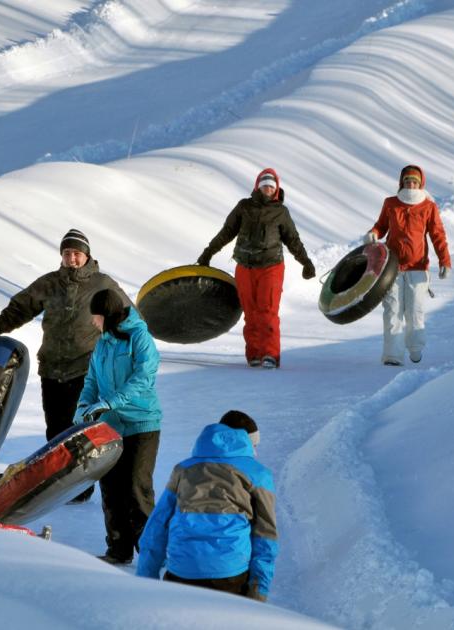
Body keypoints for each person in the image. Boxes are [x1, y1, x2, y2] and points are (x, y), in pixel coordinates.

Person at [0, 228, 128, 503]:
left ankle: (80, 488)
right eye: (67, 253)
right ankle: (59, 484)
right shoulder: (49, 284)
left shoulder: (102, 284)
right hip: (52, 368)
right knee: (55, 429)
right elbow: (19, 310)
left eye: (77, 254)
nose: (71, 259)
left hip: (87, 368)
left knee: (80, 429)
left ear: (86, 256)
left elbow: (127, 317)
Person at [136, 411, 277, 602]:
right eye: (253, 445)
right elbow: (265, 536)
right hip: (229, 574)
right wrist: (258, 592)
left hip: (181, 572)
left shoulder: (183, 469)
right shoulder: (259, 474)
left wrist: (146, 582)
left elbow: (157, 526)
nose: (255, 452)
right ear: (243, 441)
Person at [75, 288, 162, 565]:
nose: (93, 322)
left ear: (108, 315)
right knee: (111, 488)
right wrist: (81, 411)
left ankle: (151, 553)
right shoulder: (102, 344)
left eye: (96, 316)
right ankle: (118, 548)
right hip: (110, 427)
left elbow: (143, 378)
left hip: (142, 423)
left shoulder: (140, 338)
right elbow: (91, 382)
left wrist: (110, 403)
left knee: (137, 488)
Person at [196, 168, 316, 369]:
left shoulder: (280, 212)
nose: (267, 189)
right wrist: (208, 252)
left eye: (271, 186)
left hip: (271, 267)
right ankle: (254, 353)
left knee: (267, 310)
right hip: (245, 266)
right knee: (250, 312)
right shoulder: (244, 207)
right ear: (258, 187)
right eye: (264, 185)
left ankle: (270, 354)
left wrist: (306, 262)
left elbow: (293, 240)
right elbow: (227, 232)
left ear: (276, 189)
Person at [363, 164, 451, 365]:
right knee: (392, 311)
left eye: (414, 181)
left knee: (414, 312)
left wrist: (444, 260)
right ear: (401, 183)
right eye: (407, 181)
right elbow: (381, 226)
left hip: (418, 269)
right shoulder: (391, 203)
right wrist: (374, 234)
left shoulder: (428, 206)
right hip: (392, 267)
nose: (411, 184)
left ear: (420, 184)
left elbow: (438, 235)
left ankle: (415, 347)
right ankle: (393, 355)